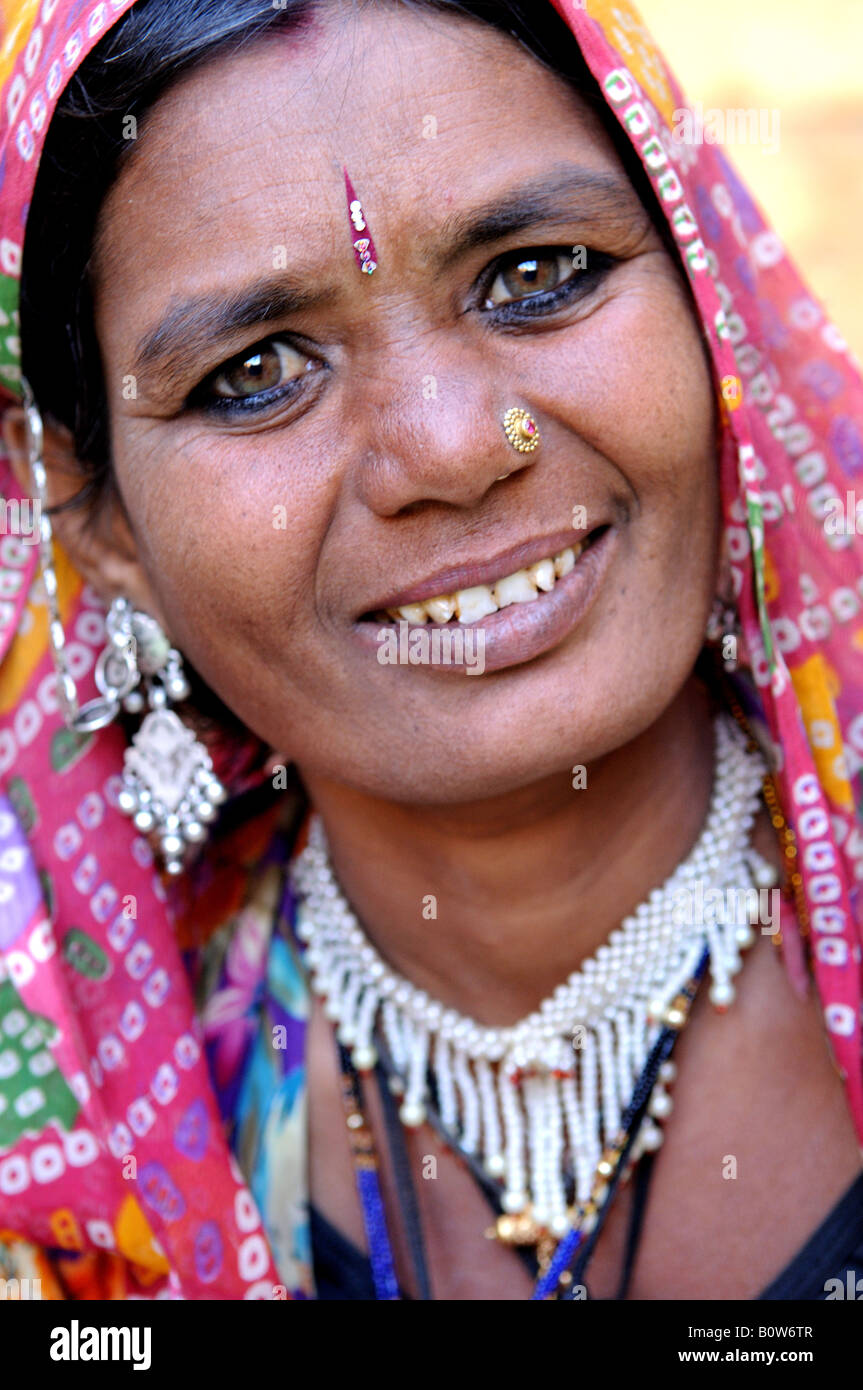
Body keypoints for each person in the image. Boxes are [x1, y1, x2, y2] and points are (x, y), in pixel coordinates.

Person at [0, 0, 861, 1302]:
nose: (455, 450)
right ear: (96, 516)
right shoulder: (62, 1157)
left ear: (711, 305)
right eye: (257, 370)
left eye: (537, 273)